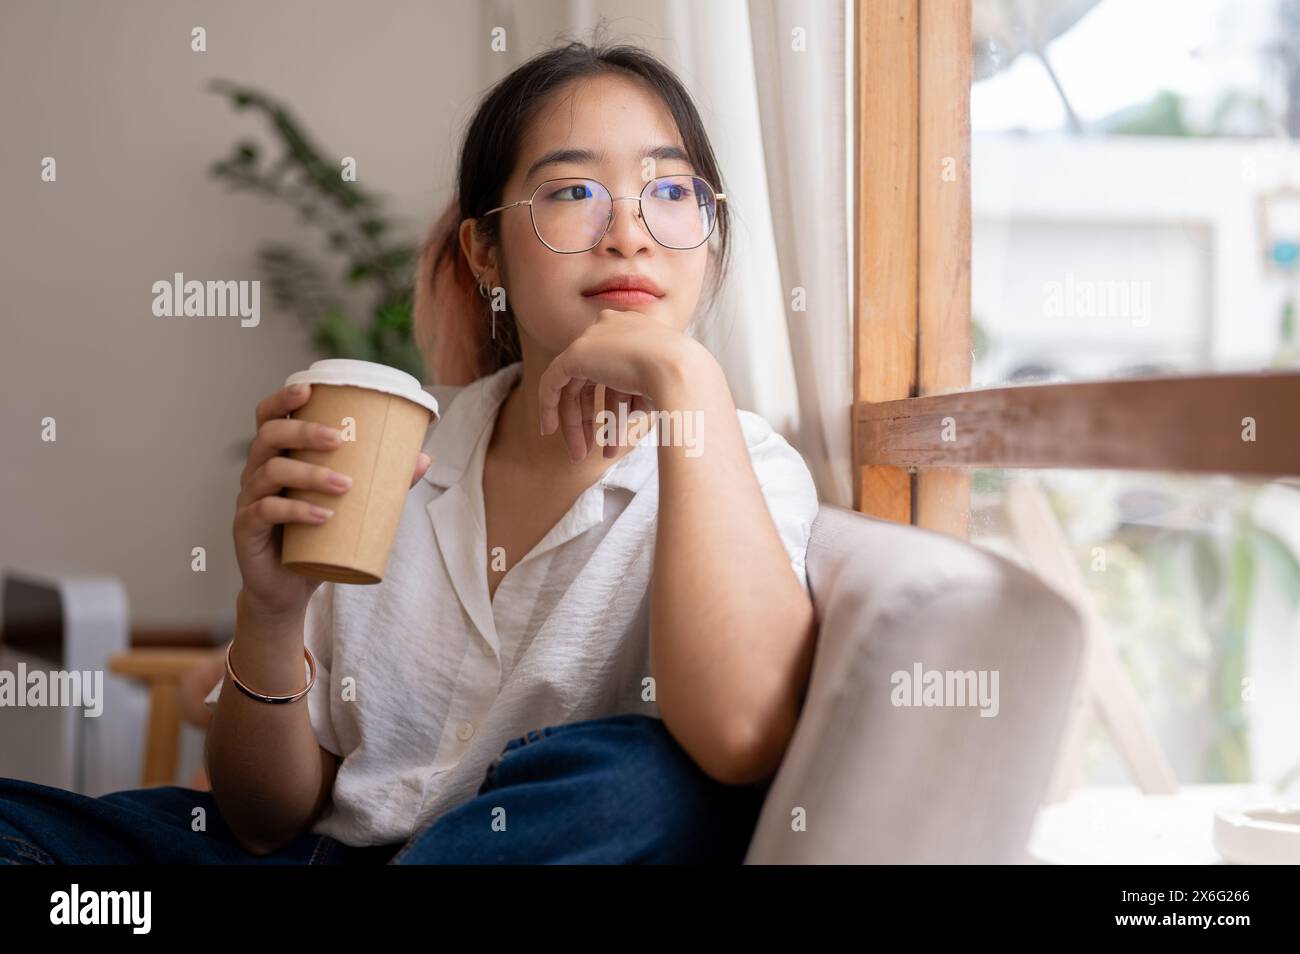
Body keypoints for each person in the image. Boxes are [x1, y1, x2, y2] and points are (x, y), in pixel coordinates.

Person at [0, 36, 819, 865]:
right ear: (484, 253)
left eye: (671, 189)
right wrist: (273, 613)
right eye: (575, 188)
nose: (631, 233)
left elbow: (740, 738)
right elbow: (263, 821)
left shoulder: (744, 468)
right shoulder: (393, 450)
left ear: (710, 236)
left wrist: (686, 378)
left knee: (642, 782)